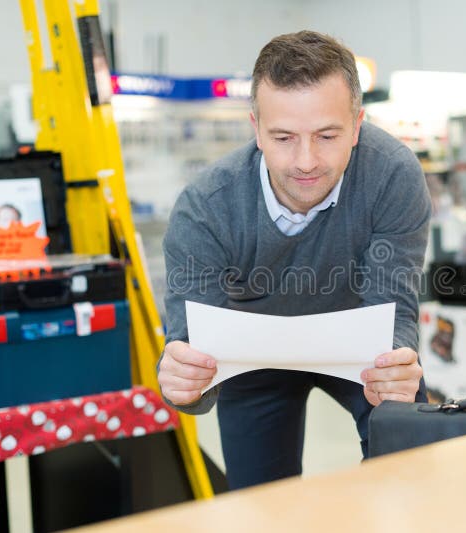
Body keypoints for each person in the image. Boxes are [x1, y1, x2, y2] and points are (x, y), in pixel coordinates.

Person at [158, 30, 431, 490]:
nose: (306, 161)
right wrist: (183, 381)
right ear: (256, 129)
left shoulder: (393, 176)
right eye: (283, 137)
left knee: (409, 462)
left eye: (327, 135)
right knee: (260, 504)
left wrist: (398, 363)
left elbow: (395, 309)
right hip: (252, 360)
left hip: (359, 340)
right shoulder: (206, 207)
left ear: (358, 124)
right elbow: (189, 353)